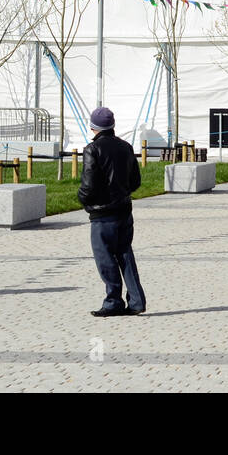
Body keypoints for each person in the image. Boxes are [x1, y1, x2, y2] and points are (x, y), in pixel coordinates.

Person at [78, 106, 147, 316]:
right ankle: (136, 301)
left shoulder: (92, 149)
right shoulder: (125, 147)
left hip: (102, 214)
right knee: (125, 253)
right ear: (112, 125)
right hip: (124, 210)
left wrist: (82, 198)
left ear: (92, 127)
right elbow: (136, 180)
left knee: (105, 257)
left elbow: (88, 185)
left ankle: (113, 301)